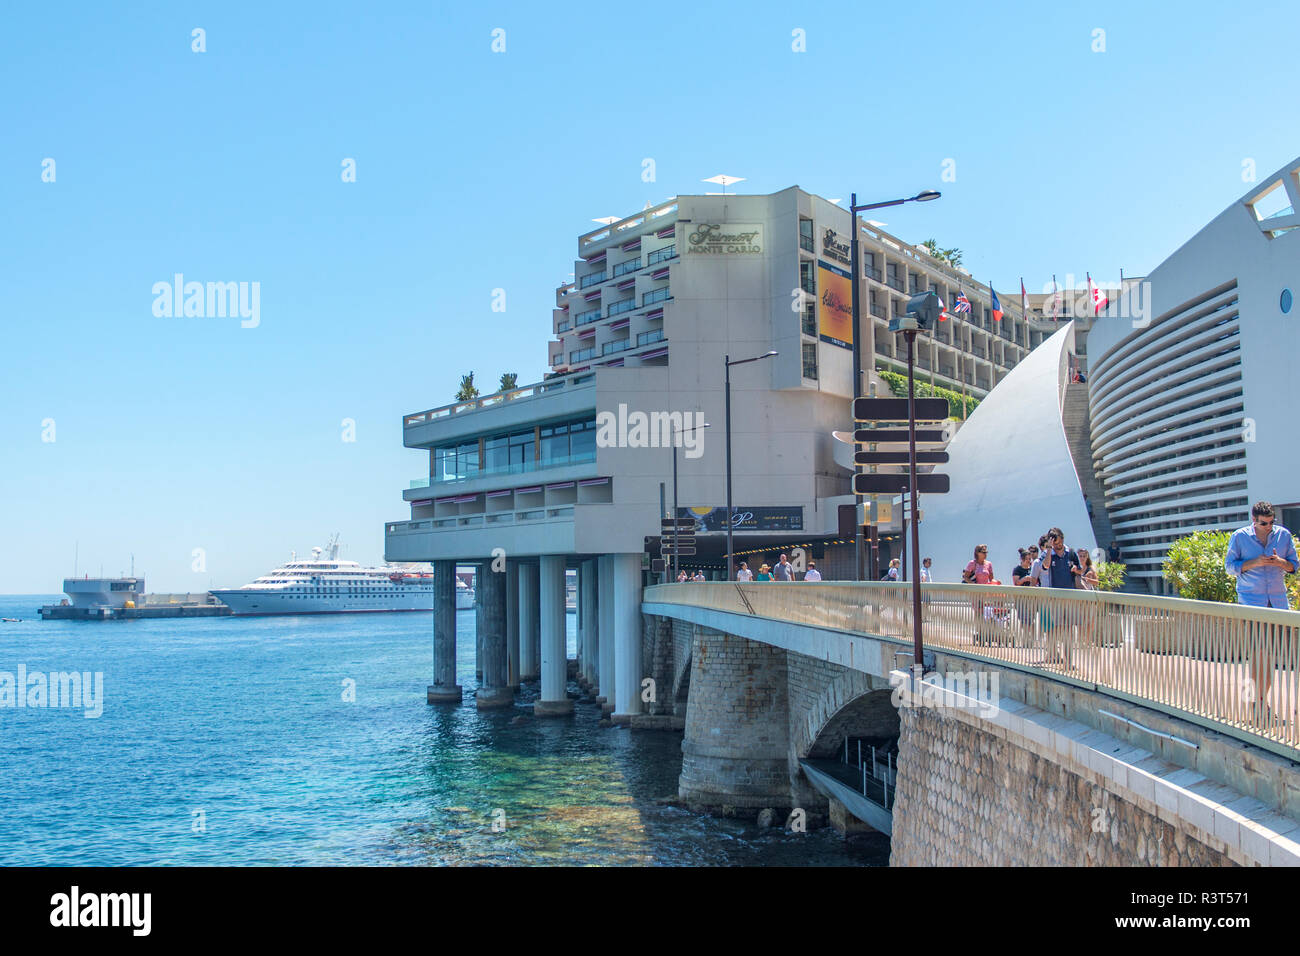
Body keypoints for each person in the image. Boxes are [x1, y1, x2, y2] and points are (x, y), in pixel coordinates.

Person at [1225, 501, 1299, 725]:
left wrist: (1280, 562)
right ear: (1254, 519)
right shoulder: (1240, 537)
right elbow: (1230, 568)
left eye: (1271, 522)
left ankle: (1258, 701)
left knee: (1270, 657)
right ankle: (1258, 702)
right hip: (1252, 603)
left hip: (1277, 604)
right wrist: (1254, 562)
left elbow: (1294, 566)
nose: (1268, 526)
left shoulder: (1283, 536)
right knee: (1258, 655)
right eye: (1263, 523)